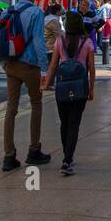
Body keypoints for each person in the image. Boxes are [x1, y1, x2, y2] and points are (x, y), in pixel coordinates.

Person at [0, 0, 52, 171]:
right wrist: (45, 68)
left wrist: (1, 62)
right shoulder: (36, 12)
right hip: (30, 66)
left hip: (11, 65)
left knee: (11, 109)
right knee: (36, 104)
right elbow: (38, 43)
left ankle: (9, 155)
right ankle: (34, 149)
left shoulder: (8, 11)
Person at [42, 9, 96, 176]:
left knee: (64, 123)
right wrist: (91, 89)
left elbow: (53, 65)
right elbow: (91, 70)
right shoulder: (87, 43)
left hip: (62, 86)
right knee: (74, 124)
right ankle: (68, 159)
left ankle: (67, 154)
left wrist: (47, 83)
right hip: (80, 87)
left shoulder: (60, 41)